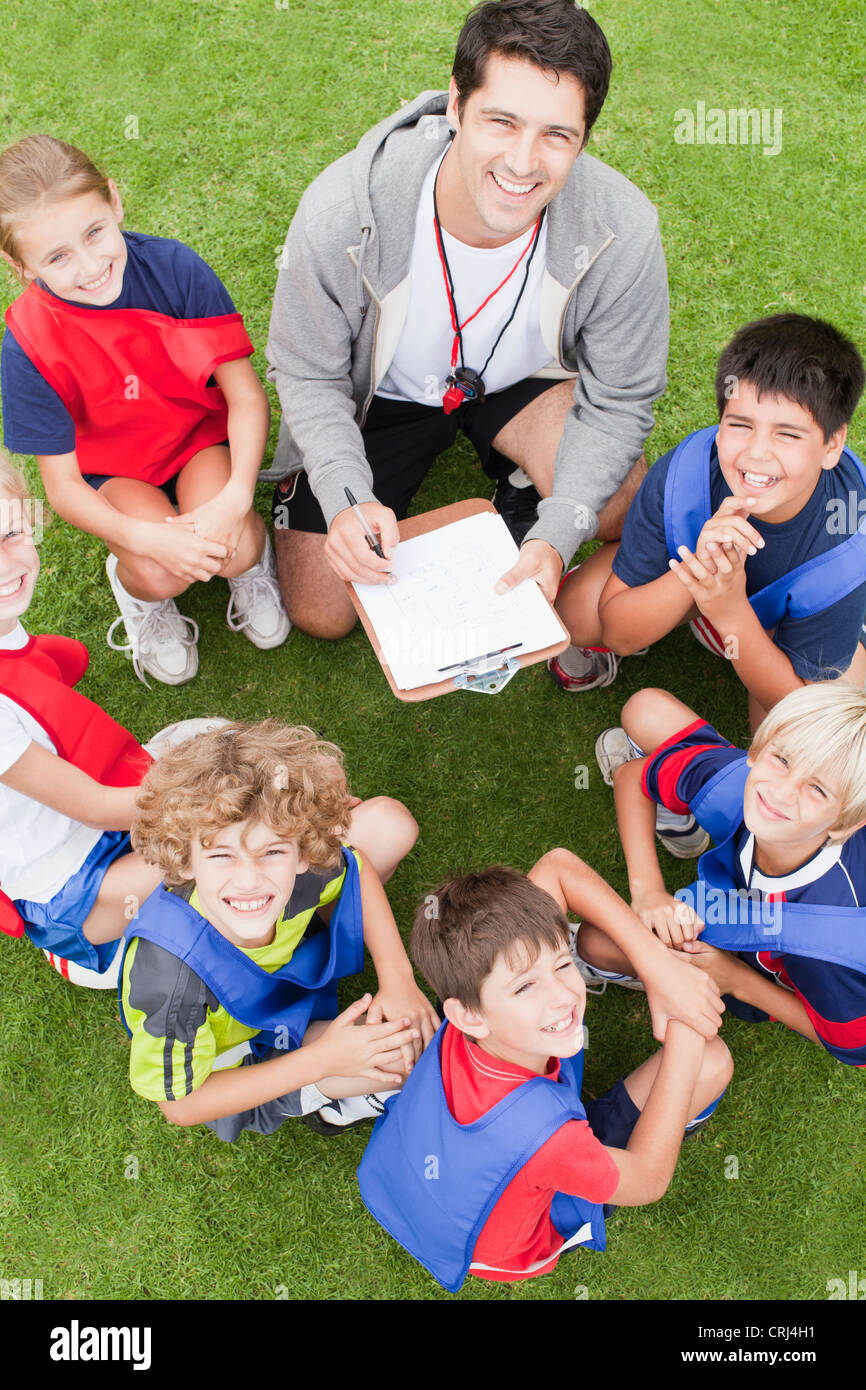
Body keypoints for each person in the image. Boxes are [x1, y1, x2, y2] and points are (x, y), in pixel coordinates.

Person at [266, 0, 669, 638]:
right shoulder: (341, 213)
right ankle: (306, 491)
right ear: (455, 105)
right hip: (383, 394)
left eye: (556, 135)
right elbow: (306, 371)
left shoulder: (625, 227)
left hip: (521, 380)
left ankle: (523, 484)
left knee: (620, 504)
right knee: (323, 609)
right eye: (501, 121)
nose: (522, 161)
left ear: (584, 137)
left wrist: (558, 538)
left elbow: (622, 399)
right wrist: (346, 489)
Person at [357, 853, 732, 1290]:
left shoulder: (471, 1022)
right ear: (470, 1015)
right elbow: (648, 1180)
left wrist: (661, 969)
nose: (564, 996)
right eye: (525, 986)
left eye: (561, 964)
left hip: (416, 1169)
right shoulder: (548, 1140)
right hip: (511, 1238)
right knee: (710, 1060)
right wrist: (686, 1021)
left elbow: (556, 867)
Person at [0, 134, 289, 687]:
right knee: (160, 572)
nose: (90, 267)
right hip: (116, 470)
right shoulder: (27, 342)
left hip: (198, 442)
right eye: (57, 258)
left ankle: (251, 567)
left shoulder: (177, 268)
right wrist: (143, 540)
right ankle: (137, 593)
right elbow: (62, 488)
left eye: (95, 232)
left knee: (232, 548)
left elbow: (245, 397)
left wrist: (234, 498)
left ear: (114, 201)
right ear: (20, 267)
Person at [121, 719, 439, 1140]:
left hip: (285, 992)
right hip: (241, 1062)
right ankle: (332, 1106)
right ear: (184, 861)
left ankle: (336, 1061)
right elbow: (182, 1105)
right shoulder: (171, 982)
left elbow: (356, 866)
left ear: (302, 852)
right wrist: (323, 1060)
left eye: (271, 851)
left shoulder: (298, 870)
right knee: (405, 1056)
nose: (249, 880)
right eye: (221, 856)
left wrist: (398, 982)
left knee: (413, 1040)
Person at [553, 314, 866, 732]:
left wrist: (732, 612)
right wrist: (698, 570)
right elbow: (619, 633)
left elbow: (795, 703)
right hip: (699, 582)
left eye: (787, 435)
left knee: (803, 733)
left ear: (832, 446)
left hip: (788, 625)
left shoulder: (846, 545)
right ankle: (687, 599)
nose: (757, 454)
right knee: (575, 616)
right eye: (741, 425)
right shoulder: (687, 476)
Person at [591, 683, 866, 1067]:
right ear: (756, 751)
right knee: (644, 709)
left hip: (764, 948)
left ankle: (661, 972)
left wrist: (736, 979)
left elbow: (852, 1045)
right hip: (755, 875)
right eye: (782, 758)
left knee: (595, 943)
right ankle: (679, 817)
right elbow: (631, 778)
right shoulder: (742, 788)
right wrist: (648, 890)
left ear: (844, 824)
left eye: (817, 789)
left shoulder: (828, 949)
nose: (781, 792)